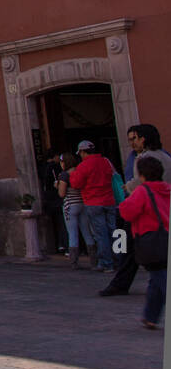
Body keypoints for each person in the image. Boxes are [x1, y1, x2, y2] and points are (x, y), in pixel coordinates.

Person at [104, 124, 171, 296]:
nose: (132, 143)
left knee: (127, 248)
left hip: (143, 211)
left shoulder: (143, 158)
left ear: (144, 138)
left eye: (134, 138)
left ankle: (120, 283)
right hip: (162, 209)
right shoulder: (165, 156)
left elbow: (139, 183)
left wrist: (128, 188)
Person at [117, 155, 168, 330]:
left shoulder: (142, 191)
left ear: (142, 175)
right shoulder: (167, 188)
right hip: (166, 237)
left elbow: (127, 212)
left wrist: (129, 195)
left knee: (161, 276)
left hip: (152, 241)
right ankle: (150, 316)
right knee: (156, 280)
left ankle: (150, 316)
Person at [70, 141, 117, 271]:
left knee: (101, 234)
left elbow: (76, 184)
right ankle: (118, 260)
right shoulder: (105, 161)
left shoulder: (83, 166)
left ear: (82, 152)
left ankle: (106, 263)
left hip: (93, 202)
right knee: (113, 231)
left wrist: (72, 174)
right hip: (109, 200)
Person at [56, 152, 93, 269]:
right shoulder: (79, 172)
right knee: (87, 233)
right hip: (82, 203)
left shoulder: (64, 175)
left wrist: (57, 186)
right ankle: (94, 259)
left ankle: (74, 262)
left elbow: (62, 193)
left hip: (70, 205)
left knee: (73, 233)